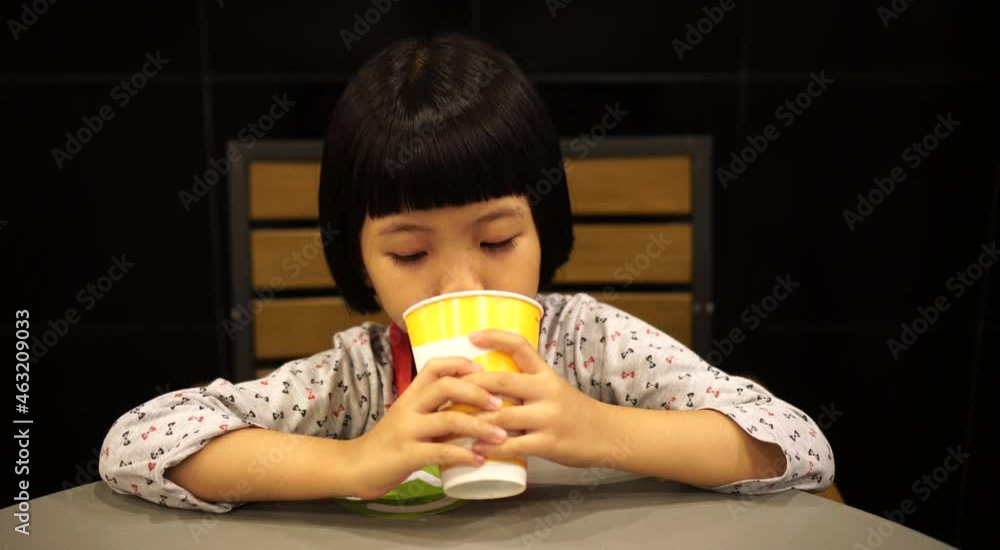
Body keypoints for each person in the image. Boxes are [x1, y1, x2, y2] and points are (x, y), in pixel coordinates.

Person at [98, 33, 834, 514]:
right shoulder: (360, 381)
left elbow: (799, 446)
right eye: (410, 253)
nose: (461, 286)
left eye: (497, 239)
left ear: (543, 228)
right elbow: (138, 443)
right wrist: (357, 461)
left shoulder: (592, 347)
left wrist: (598, 428)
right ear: (361, 261)